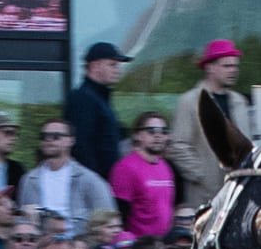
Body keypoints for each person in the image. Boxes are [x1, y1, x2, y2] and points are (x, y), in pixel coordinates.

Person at [170, 40, 252, 211]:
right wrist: (203, 175)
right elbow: (178, 145)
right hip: (204, 195)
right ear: (210, 68)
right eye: (227, 66)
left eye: (235, 66)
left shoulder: (239, 102)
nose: (233, 70)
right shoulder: (189, 101)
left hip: (238, 190)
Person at [15, 119, 114, 239]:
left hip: (77, 246)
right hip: (42, 245)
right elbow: (20, 221)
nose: (49, 140)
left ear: (71, 140)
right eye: (44, 136)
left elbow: (109, 222)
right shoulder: (29, 180)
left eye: (56, 136)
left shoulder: (90, 180)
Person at [67, 41, 131, 180]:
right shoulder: (84, 98)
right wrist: (96, 180)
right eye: (112, 65)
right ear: (95, 66)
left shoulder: (100, 99)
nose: (118, 70)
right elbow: (80, 145)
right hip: (95, 182)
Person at [108, 110, 177, 238]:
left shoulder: (166, 167)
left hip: (163, 245)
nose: (158, 135)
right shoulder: (125, 168)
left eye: (164, 131)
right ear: (137, 135)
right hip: (137, 245)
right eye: (151, 131)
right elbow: (119, 214)